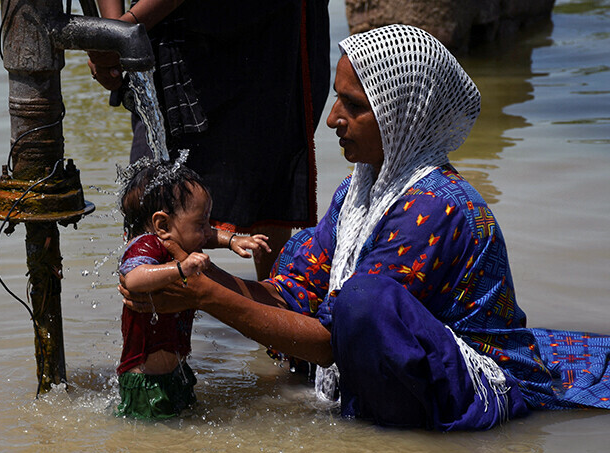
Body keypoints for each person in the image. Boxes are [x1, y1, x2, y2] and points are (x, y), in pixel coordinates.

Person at [119, 24, 610, 430]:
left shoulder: (433, 207)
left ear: (402, 118)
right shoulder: (358, 193)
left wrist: (204, 295)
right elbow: (289, 296)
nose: (333, 118)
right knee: (333, 289)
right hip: (399, 359)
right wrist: (183, 274)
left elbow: (336, 341)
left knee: (363, 302)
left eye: (353, 105)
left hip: (474, 380)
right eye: (337, 100)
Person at [88, 0, 331, 280]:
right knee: (153, 192)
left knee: (264, 173)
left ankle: (276, 302)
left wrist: (122, 32)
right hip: (158, 22)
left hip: (262, 25)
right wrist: (114, 31)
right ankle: (161, 293)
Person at [114, 155, 270, 419]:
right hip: (145, 381)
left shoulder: (173, 237)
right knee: (149, 445)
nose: (207, 232)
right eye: (200, 224)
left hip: (175, 371)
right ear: (162, 225)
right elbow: (133, 279)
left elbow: (205, 235)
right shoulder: (146, 246)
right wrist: (180, 269)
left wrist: (232, 241)